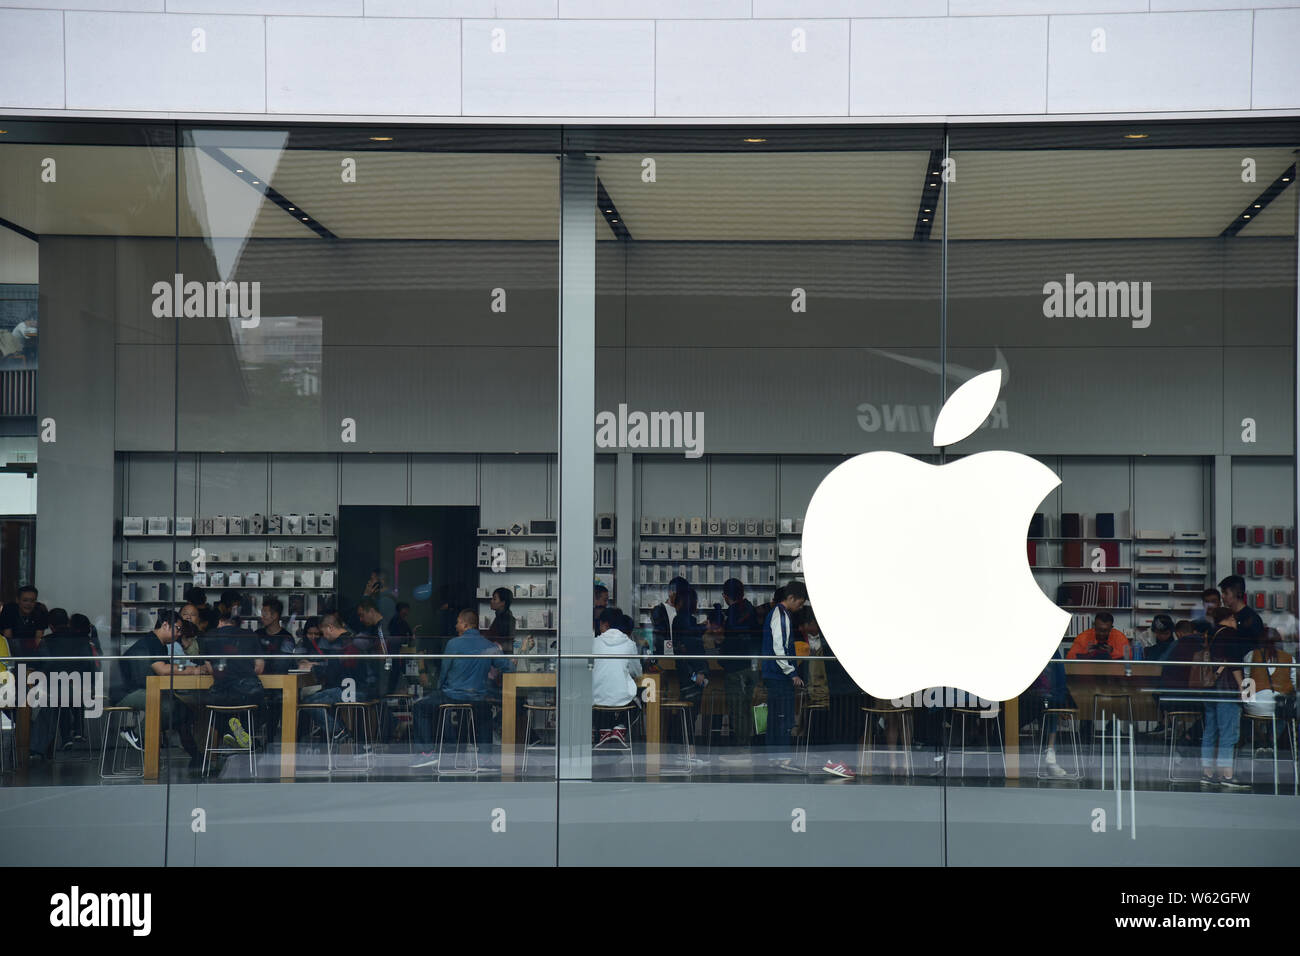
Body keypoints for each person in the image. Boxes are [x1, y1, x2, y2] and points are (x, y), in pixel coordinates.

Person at [411, 609, 523, 769]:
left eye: (458, 622)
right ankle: (484, 759)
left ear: (465, 624)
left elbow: (444, 672)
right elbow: (509, 668)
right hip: (478, 697)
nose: (456, 625)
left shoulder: (453, 644)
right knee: (485, 710)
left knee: (420, 707)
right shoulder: (489, 645)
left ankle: (426, 754)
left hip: (452, 695)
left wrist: (438, 690)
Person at [116, 610, 204, 770]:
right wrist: (193, 670)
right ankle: (136, 734)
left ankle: (197, 757)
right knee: (168, 707)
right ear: (165, 625)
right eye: (177, 629)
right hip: (126, 693)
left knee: (182, 710)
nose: (179, 634)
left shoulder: (160, 645)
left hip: (143, 689)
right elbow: (163, 669)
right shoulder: (152, 642)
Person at [201, 592, 266, 756]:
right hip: (247, 692)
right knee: (265, 707)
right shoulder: (250, 635)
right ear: (239, 622)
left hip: (220, 693)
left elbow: (209, 669)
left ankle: (229, 732)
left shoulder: (208, 637)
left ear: (220, 621)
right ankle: (244, 735)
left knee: (207, 708)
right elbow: (259, 667)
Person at [796, 606, 855, 778]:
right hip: (838, 689)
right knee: (844, 726)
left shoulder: (824, 641)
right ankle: (838, 763)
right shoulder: (829, 641)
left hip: (835, 690)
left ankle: (838, 762)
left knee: (841, 725)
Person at [30, 608, 96, 758]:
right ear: (67, 622)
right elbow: (90, 665)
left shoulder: (47, 641)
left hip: (57, 689)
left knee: (52, 702)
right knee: (60, 699)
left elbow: (43, 665)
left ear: (51, 626)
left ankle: (38, 748)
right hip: (81, 688)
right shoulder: (82, 639)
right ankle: (72, 733)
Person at [1199, 607, 1250, 790]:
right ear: (1230, 618)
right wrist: (1242, 686)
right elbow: (1234, 663)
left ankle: (1207, 773)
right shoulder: (1229, 633)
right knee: (1228, 732)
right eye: (1235, 619)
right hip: (1226, 688)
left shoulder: (1209, 634)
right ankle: (1227, 774)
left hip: (1210, 688)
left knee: (1210, 731)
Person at [762, 580, 808, 773]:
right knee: (783, 719)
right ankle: (782, 759)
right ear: (791, 598)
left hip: (772, 674)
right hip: (779, 676)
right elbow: (779, 648)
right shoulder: (781, 616)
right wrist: (792, 673)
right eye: (800, 602)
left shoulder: (776, 614)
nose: (800, 606)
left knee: (774, 719)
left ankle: (773, 759)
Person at [718, 579, 761, 755]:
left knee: (737, 710)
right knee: (747, 707)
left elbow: (729, 640)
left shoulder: (731, 614)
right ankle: (748, 743)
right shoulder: (751, 610)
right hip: (751, 666)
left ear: (725, 596)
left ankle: (742, 745)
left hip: (735, 668)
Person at [591, 606, 642, 748]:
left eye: (600, 624)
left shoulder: (594, 643)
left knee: (603, 694)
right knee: (640, 699)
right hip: (622, 700)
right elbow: (637, 673)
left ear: (605, 624)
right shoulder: (629, 644)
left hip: (596, 700)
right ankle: (620, 728)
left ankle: (605, 730)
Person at [1243, 627, 1295, 740]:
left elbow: (1247, 681)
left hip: (1255, 706)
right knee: (1286, 712)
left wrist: (1245, 700)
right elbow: (1294, 684)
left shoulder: (1251, 655)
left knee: (1247, 714)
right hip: (1278, 706)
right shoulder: (1290, 658)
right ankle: (1273, 738)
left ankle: (1259, 738)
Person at [1219, 575, 1265, 650]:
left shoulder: (1252, 618)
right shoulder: (1227, 615)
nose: (1222, 596)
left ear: (1238, 593)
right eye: (1222, 593)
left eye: (1225, 593)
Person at [1, 585, 47, 657]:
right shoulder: (9, 610)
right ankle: (23, 668)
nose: (28, 604)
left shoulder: (40, 610)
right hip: (13, 649)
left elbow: (38, 639)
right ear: (17, 600)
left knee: (44, 645)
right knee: (16, 644)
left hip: (31, 648)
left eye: (32, 601)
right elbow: (8, 638)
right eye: (25, 600)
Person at [1065, 612, 1131, 660]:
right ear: (1094, 626)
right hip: (1088, 672)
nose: (1101, 633)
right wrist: (1086, 654)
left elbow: (1129, 658)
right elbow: (1069, 658)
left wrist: (1113, 652)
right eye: (1099, 629)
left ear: (1111, 628)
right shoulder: (1083, 637)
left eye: (1105, 630)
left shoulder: (1120, 638)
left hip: (1113, 674)